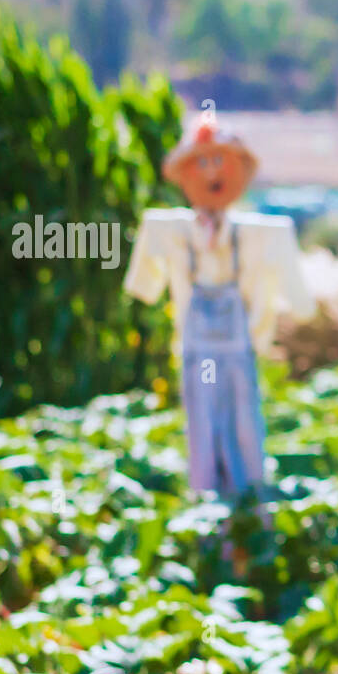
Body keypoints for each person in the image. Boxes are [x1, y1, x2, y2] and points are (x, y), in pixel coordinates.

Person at [124, 117, 315, 499]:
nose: (212, 173)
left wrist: (302, 306)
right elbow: (142, 282)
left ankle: (249, 505)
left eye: (221, 162)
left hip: (239, 354)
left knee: (245, 426)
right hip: (197, 355)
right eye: (201, 163)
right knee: (202, 428)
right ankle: (208, 506)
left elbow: (298, 295)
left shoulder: (263, 232)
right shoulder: (170, 230)